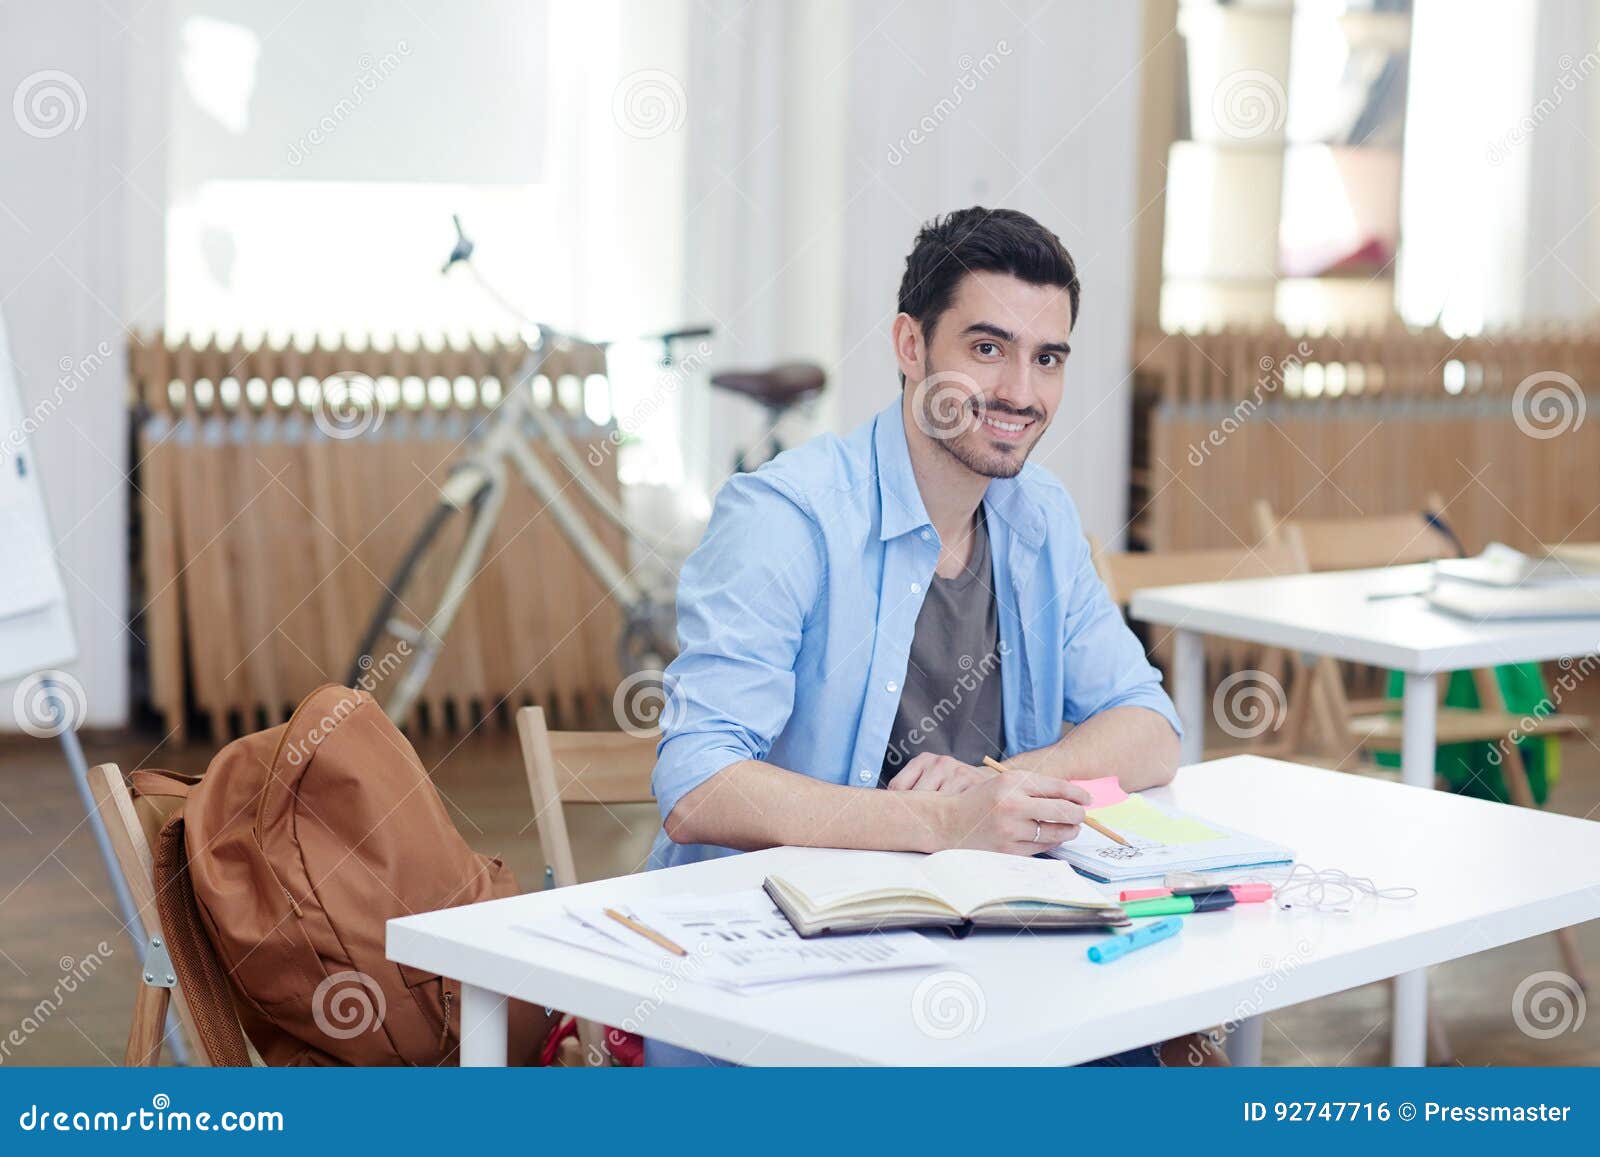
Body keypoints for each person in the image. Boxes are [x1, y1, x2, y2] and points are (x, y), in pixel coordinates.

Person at [645, 206, 1214, 1067]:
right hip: (791, 978)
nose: (1021, 392)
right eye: (987, 349)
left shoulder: (1039, 518)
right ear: (911, 346)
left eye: (1047, 358)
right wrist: (946, 820)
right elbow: (696, 784)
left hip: (990, 956)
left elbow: (1150, 728)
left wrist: (1006, 784)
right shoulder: (785, 519)